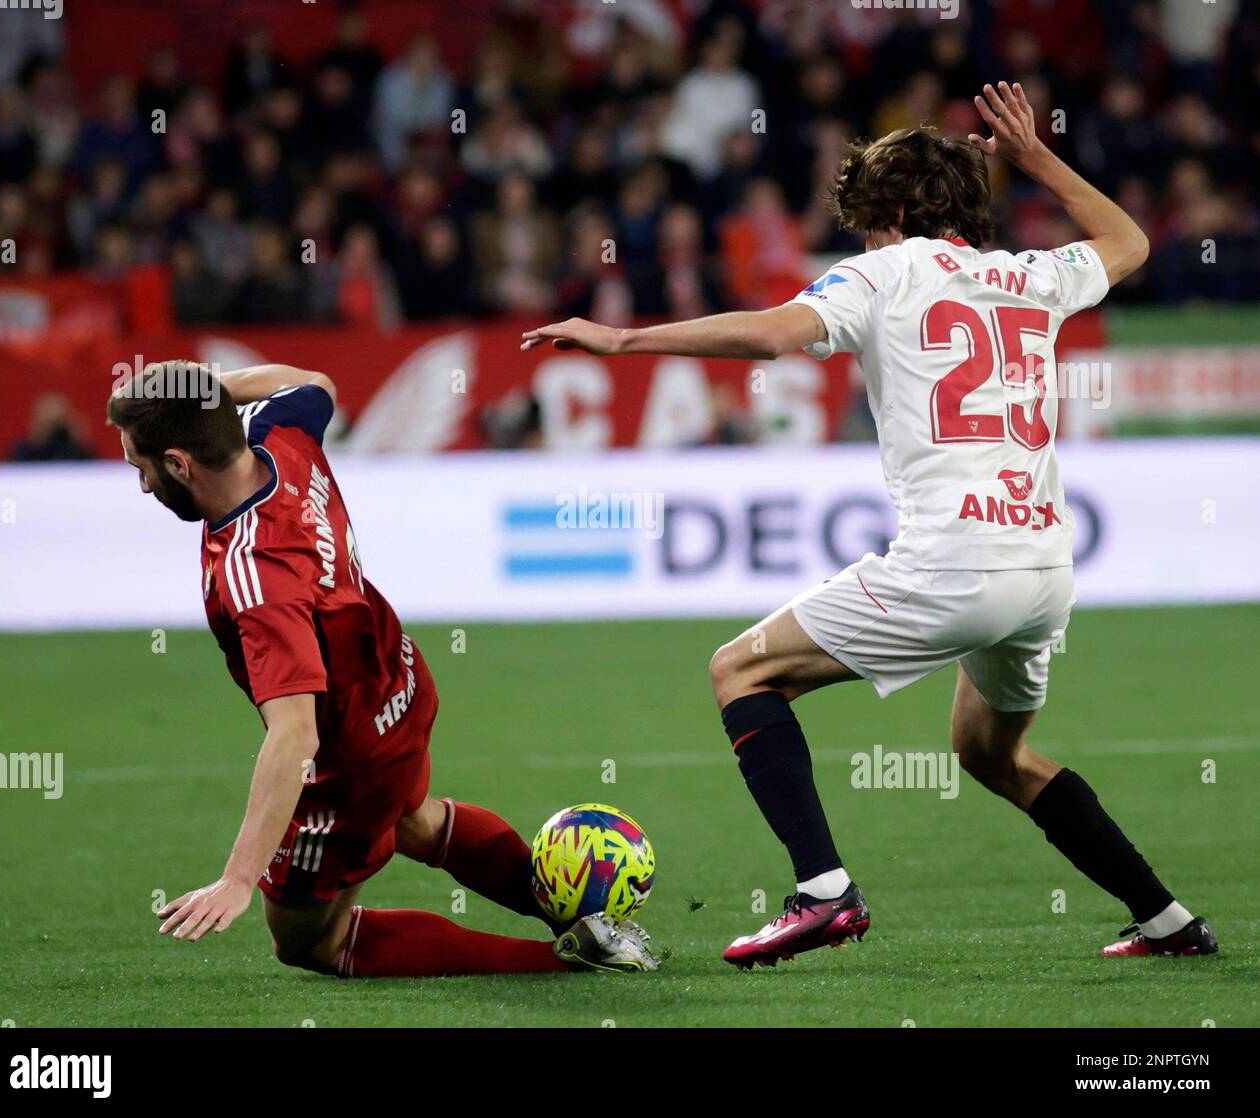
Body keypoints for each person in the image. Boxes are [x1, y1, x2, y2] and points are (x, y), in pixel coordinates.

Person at [521, 82, 1217, 966]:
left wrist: (623, 342)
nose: (858, 235)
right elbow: (1131, 240)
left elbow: (773, 336)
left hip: (954, 567)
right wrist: (1035, 154)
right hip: (1044, 570)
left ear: (888, 213)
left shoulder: (882, 274)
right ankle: (1168, 922)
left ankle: (824, 893)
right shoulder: (1032, 275)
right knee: (991, 753)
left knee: (740, 670)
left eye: (863, 218)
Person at [106, 361, 657, 976]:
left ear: (180, 464)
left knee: (308, 940)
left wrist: (237, 878)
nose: (145, 486)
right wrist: (200, 396)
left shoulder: (255, 573)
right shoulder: (280, 437)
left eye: (143, 467)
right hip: (401, 683)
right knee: (416, 822)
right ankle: (586, 921)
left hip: (350, 756)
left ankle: (571, 965)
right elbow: (318, 381)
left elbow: (296, 734)